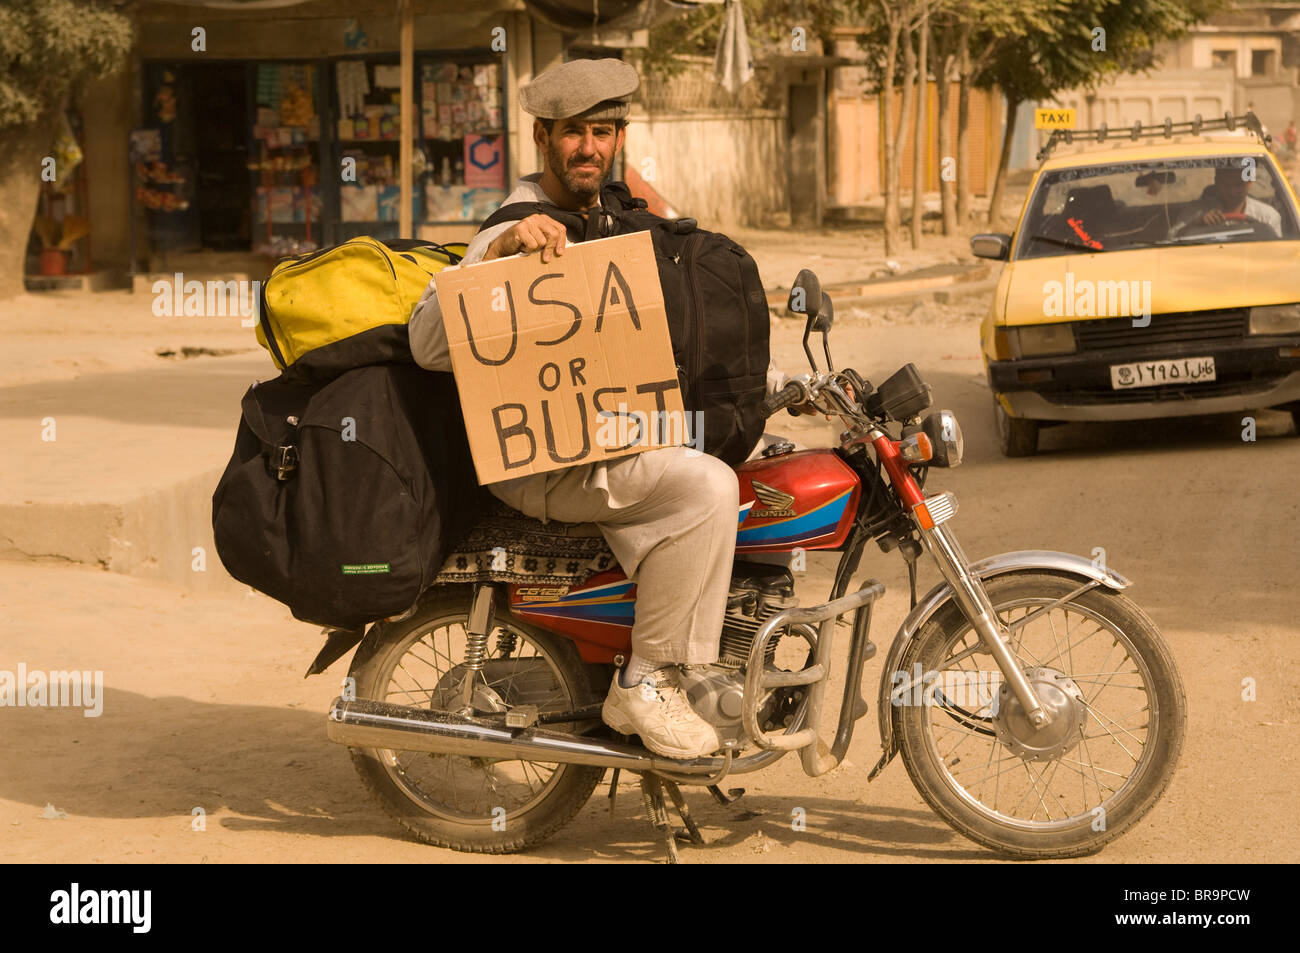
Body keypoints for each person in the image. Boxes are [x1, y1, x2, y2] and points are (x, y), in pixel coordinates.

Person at [408, 58, 802, 760]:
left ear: (619, 136)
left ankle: (707, 663)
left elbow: (670, 337)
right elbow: (428, 342)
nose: (588, 146)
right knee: (707, 485)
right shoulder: (514, 224)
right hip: (546, 462)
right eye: (572, 133)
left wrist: (776, 382)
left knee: (752, 472)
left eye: (602, 130)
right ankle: (647, 679)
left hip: (614, 442)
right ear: (541, 137)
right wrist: (497, 255)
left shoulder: (615, 216)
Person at [1173, 163, 1281, 237]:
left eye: (1238, 185)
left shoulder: (1267, 216)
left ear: (1249, 183)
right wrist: (1197, 224)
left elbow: (1278, 253)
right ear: (1216, 182)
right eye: (1226, 185)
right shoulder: (1194, 212)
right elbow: (1171, 241)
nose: (1232, 192)